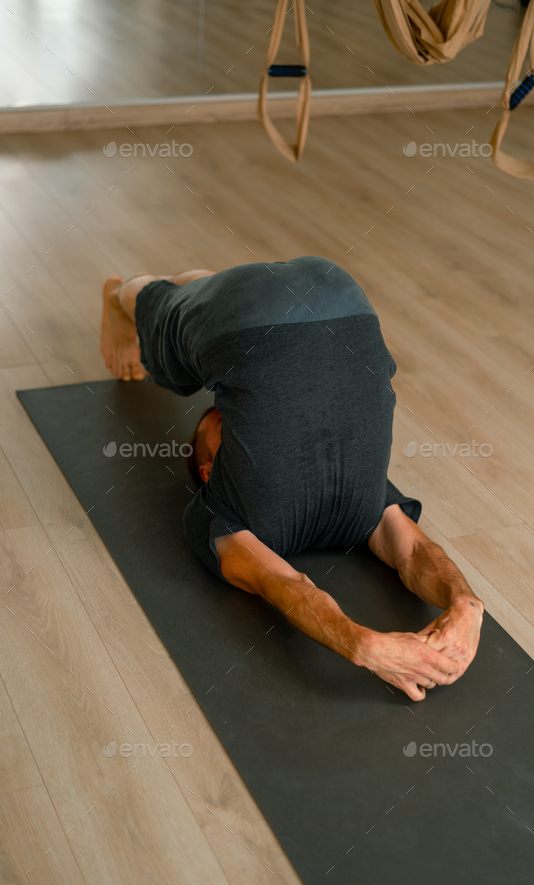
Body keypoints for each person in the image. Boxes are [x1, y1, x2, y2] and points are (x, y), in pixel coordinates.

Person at [100, 256, 484, 701]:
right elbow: (291, 585)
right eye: (222, 424)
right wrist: (365, 644)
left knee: (172, 320)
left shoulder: (228, 512)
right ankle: (157, 289)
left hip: (254, 317)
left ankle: (123, 293)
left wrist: (466, 603)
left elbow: (411, 555)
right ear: (208, 470)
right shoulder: (223, 515)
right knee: (179, 335)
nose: (231, 416)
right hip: (339, 294)